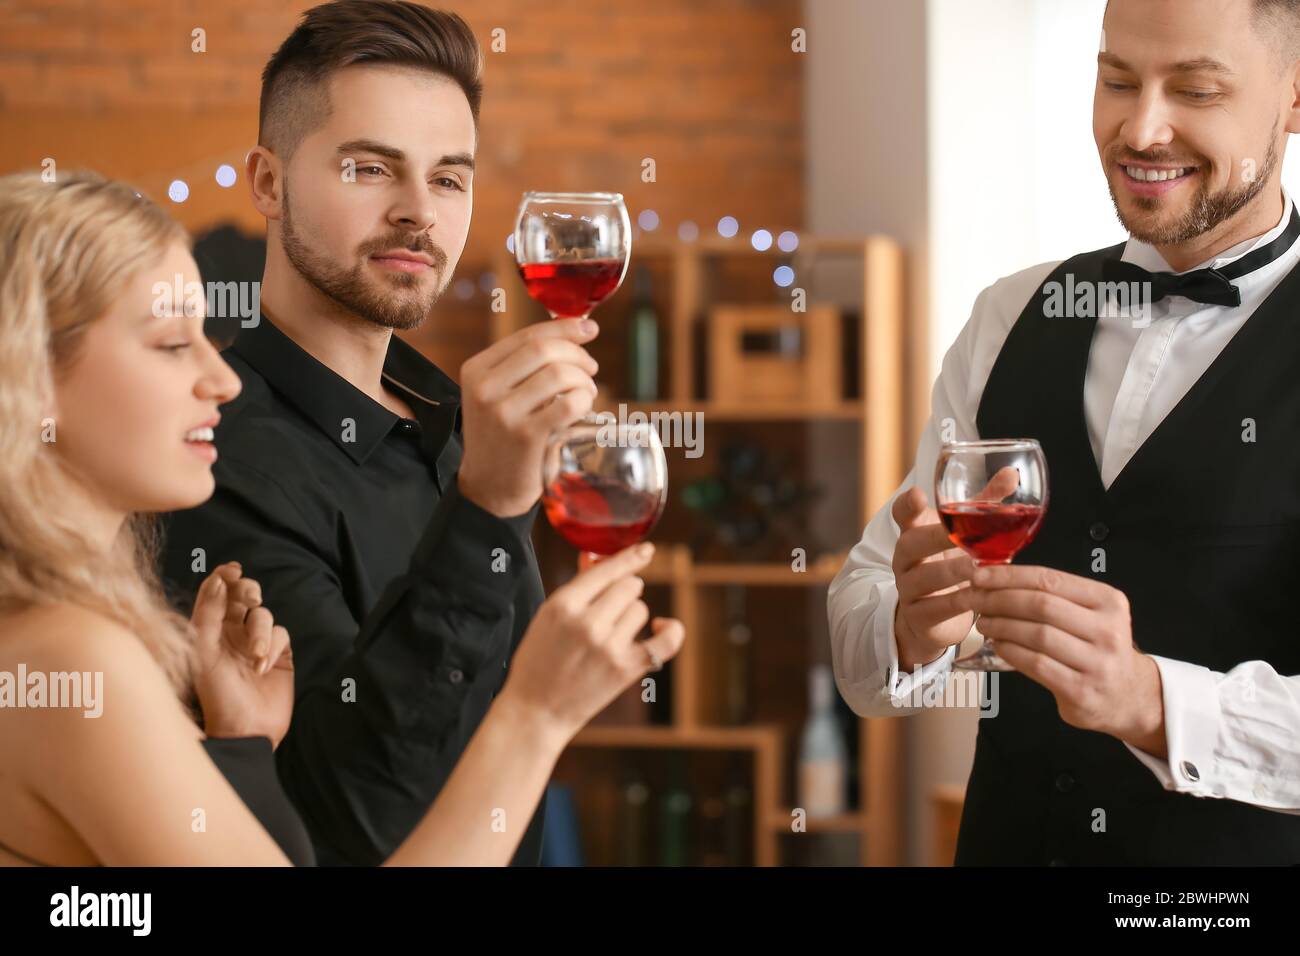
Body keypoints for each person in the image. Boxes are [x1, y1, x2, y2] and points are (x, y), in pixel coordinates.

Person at [0, 168, 682, 866]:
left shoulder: (61, 636)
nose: (225, 379)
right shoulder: (74, 660)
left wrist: (242, 748)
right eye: (174, 345)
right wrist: (536, 716)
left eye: (450, 177)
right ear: (30, 377)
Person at [829, 0, 1300, 865]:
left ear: (1295, 94)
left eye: (1195, 89)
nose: (1142, 128)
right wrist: (911, 629)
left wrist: (1155, 702)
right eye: (1116, 79)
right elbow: (862, 645)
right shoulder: (1010, 315)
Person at [157, 2, 611, 865]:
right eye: (371, 168)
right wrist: (489, 504)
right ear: (267, 180)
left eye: (448, 179)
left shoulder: (458, 422)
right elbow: (359, 817)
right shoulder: (209, 455)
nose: (419, 213)